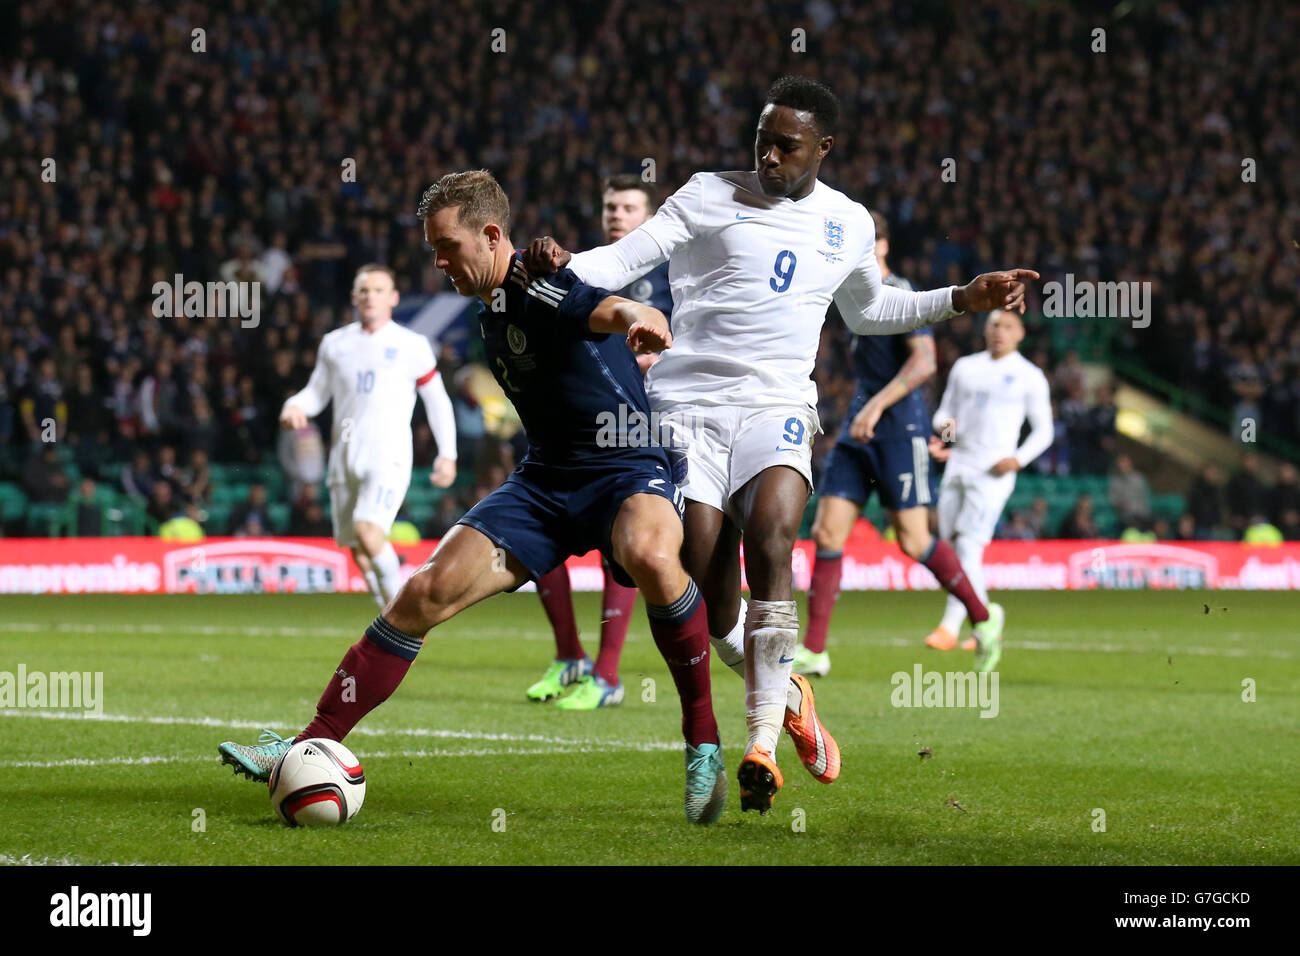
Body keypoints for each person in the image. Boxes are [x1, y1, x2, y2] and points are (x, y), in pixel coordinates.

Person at [525, 75, 1036, 812]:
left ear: (823, 149)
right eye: (762, 140)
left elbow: (871, 311)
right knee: (704, 586)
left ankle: (761, 742)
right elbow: (623, 261)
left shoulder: (849, 222)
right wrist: (564, 261)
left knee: (772, 538)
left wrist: (961, 298)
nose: (768, 156)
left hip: (776, 405)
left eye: (786, 146)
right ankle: (790, 692)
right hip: (685, 405)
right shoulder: (706, 192)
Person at [221, 170, 728, 824]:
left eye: (448, 247)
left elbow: (601, 308)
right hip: (545, 481)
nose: (438, 262)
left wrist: (640, 317)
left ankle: (703, 741)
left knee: (652, 558)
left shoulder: (538, 283)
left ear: (492, 236)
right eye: (432, 249)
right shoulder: (486, 303)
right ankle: (306, 745)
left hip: (626, 467)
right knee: (420, 595)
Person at [791, 211, 997, 678]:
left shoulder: (900, 292)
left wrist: (876, 406)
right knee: (826, 533)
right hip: (859, 430)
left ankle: (983, 619)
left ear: (880, 247)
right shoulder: (850, 297)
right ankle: (816, 649)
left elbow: (925, 363)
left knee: (913, 540)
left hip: (899, 429)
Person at [527, 174, 674, 710]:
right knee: (538, 530)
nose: (617, 214)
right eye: (611, 205)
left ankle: (606, 675)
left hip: (639, 423)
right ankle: (569, 657)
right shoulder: (586, 268)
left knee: (624, 541)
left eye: (629, 206)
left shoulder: (668, 278)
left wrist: (657, 357)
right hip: (572, 421)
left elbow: (691, 343)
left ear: (651, 218)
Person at [279, 264, 458, 608]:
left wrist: (447, 453)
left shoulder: (412, 345)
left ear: (393, 298)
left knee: (368, 531)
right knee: (358, 549)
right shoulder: (335, 344)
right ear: (353, 298)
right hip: (343, 457)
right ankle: (386, 611)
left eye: (378, 290)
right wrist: (294, 405)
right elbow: (316, 393)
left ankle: (402, 618)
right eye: (364, 290)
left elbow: (437, 401)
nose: (370, 297)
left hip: (387, 453)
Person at [927, 310, 1053, 665]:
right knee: (951, 546)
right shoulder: (966, 367)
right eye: (995, 325)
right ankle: (987, 616)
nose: (1001, 331)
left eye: (1008, 326)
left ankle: (952, 625)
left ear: (1021, 333)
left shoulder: (1029, 376)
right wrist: (948, 436)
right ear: (985, 330)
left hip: (994, 471)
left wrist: (1018, 459)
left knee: (968, 543)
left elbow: (1044, 431)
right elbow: (944, 414)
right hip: (959, 464)